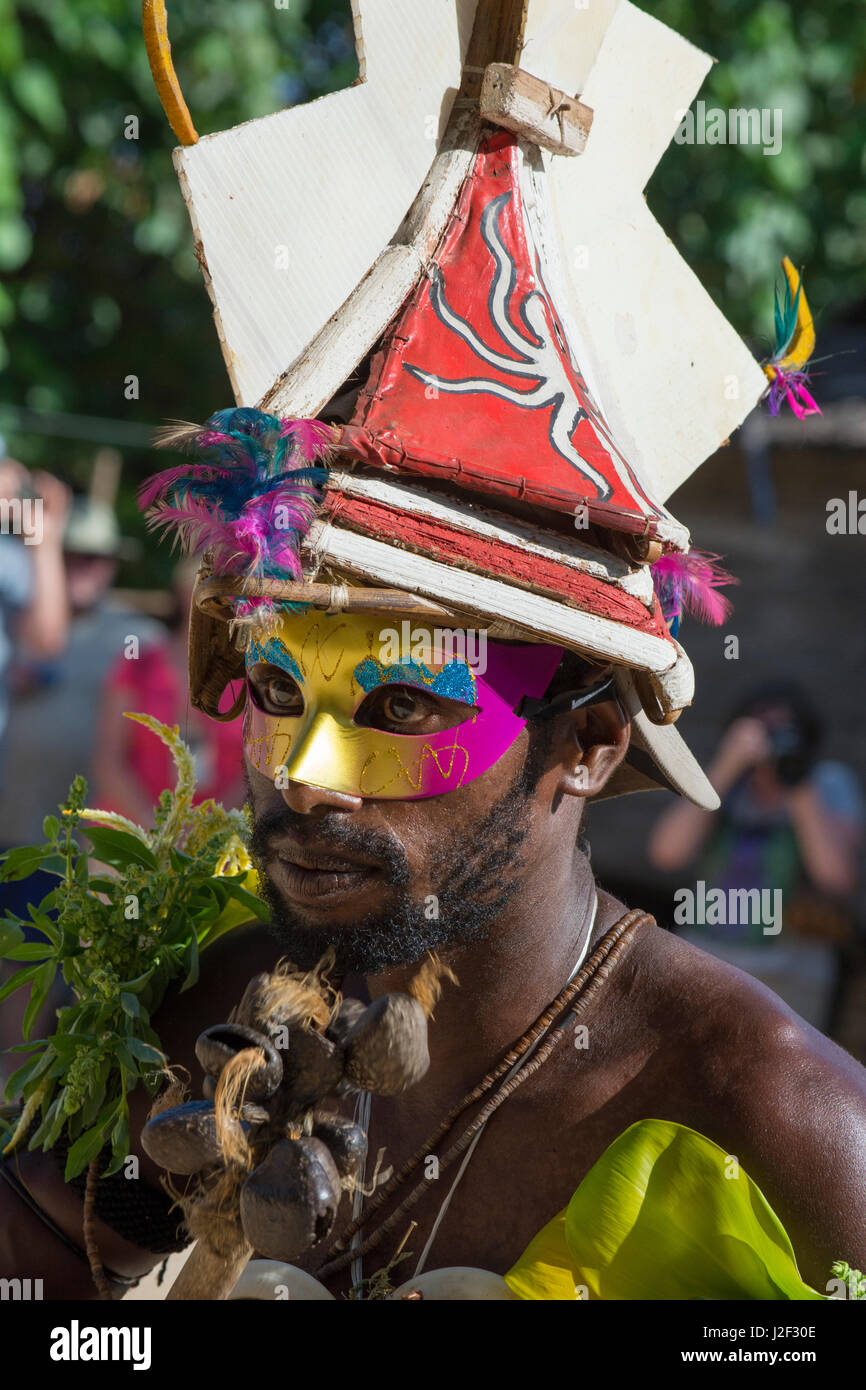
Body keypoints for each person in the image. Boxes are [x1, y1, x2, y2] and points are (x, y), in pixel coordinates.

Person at [2, 0, 864, 1303]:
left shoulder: (776, 1124)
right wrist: (100, 1246)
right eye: (281, 690)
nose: (306, 777)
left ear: (588, 741)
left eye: (402, 698)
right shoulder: (186, 1023)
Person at [648, 684, 864, 1030]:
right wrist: (726, 765)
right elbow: (666, 854)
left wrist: (798, 786)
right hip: (707, 955)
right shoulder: (727, 780)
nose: (772, 739)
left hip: (791, 969)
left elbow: (837, 878)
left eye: (784, 729)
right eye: (761, 728)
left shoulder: (828, 783)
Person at [93, 559, 246, 823]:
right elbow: (108, 762)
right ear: (182, 591)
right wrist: (156, 831)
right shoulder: (138, 662)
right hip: (131, 837)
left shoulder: (253, 674)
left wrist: (206, 832)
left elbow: (257, 772)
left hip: (219, 845)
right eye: (205, 586)